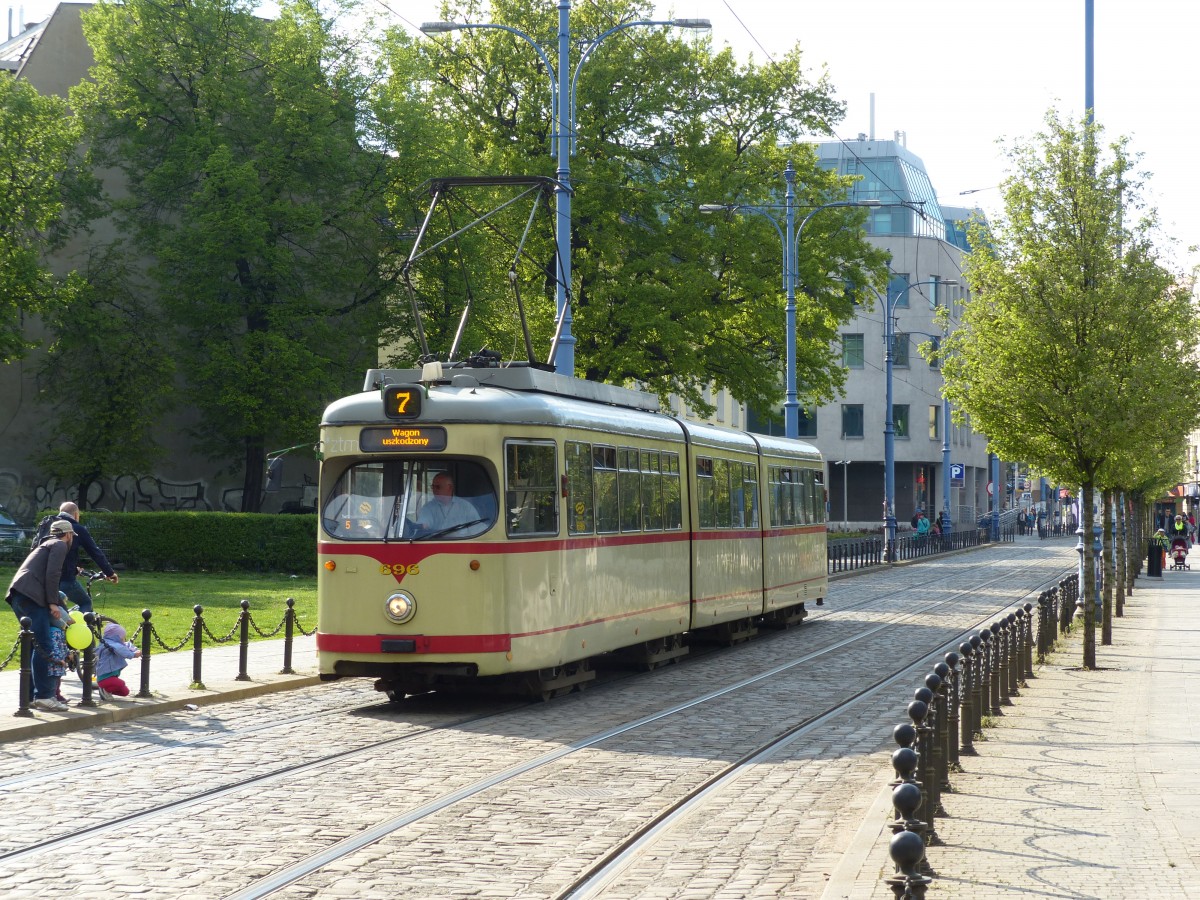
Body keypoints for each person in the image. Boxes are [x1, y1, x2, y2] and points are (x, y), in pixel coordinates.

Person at [5, 518, 74, 711]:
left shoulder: (45, 544)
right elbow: (52, 574)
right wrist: (53, 603)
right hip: (32, 597)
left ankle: (29, 697)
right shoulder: (59, 545)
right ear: (68, 535)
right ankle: (44, 696)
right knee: (42, 644)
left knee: (33, 646)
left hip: (19, 595)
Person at [53, 502, 118, 614]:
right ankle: (83, 630)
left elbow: (60, 554)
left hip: (43, 579)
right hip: (65, 579)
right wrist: (110, 573)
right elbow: (94, 552)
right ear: (76, 515)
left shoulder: (50, 526)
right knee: (85, 603)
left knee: (58, 613)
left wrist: (74, 568)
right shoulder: (76, 529)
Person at [94, 622, 141, 700]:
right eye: (122, 637)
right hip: (105, 677)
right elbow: (121, 649)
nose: (124, 639)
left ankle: (107, 690)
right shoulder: (110, 644)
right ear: (116, 637)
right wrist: (134, 655)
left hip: (111, 676)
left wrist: (135, 650)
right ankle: (104, 689)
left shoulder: (114, 643)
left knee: (125, 692)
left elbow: (127, 645)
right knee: (121, 683)